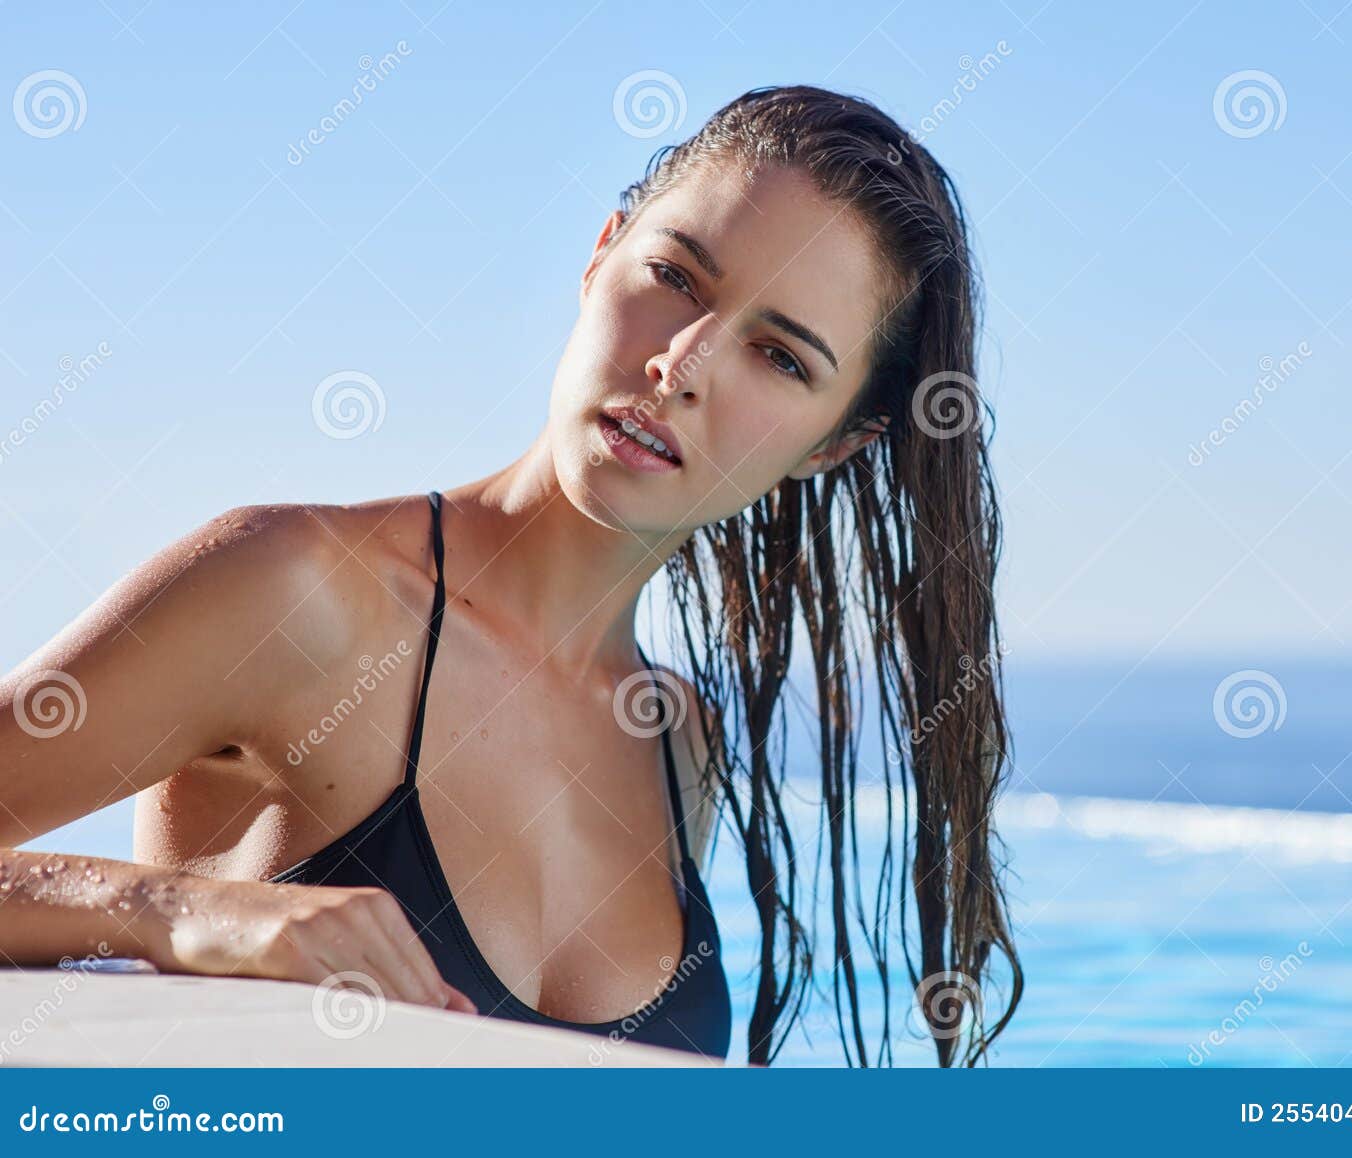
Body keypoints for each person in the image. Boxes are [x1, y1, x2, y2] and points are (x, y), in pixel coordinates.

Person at [0, 84, 1021, 1066]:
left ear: (832, 448)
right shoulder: (300, 594)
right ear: (598, 256)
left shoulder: (675, 748)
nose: (686, 365)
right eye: (676, 277)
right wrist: (187, 911)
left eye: (781, 358)